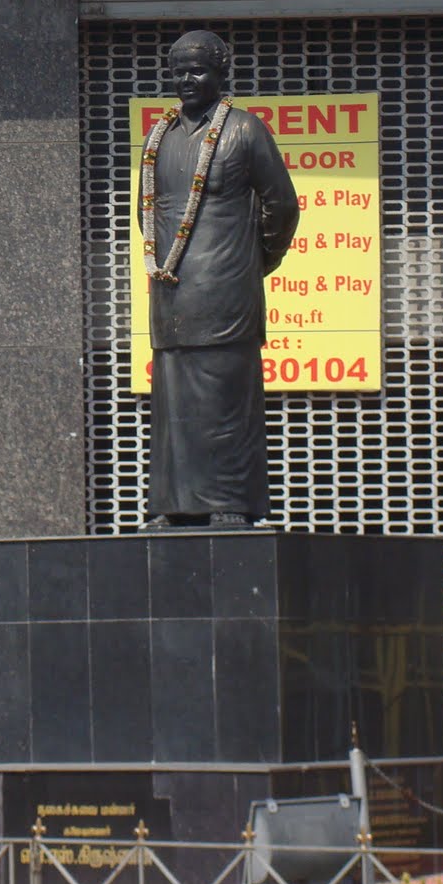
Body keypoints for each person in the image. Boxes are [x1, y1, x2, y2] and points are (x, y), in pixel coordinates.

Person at [140, 30, 298, 528]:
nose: (187, 80)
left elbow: (283, 206)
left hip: (228, 292)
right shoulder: (159, 136)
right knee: (173, 409)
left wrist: (251, 262)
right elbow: (148, 213)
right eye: (179, 71)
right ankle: (174, 507)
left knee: (227, 402)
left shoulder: (246, 131)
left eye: (198, 70)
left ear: (221, 72)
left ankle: (231, 503)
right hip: (172, 293)